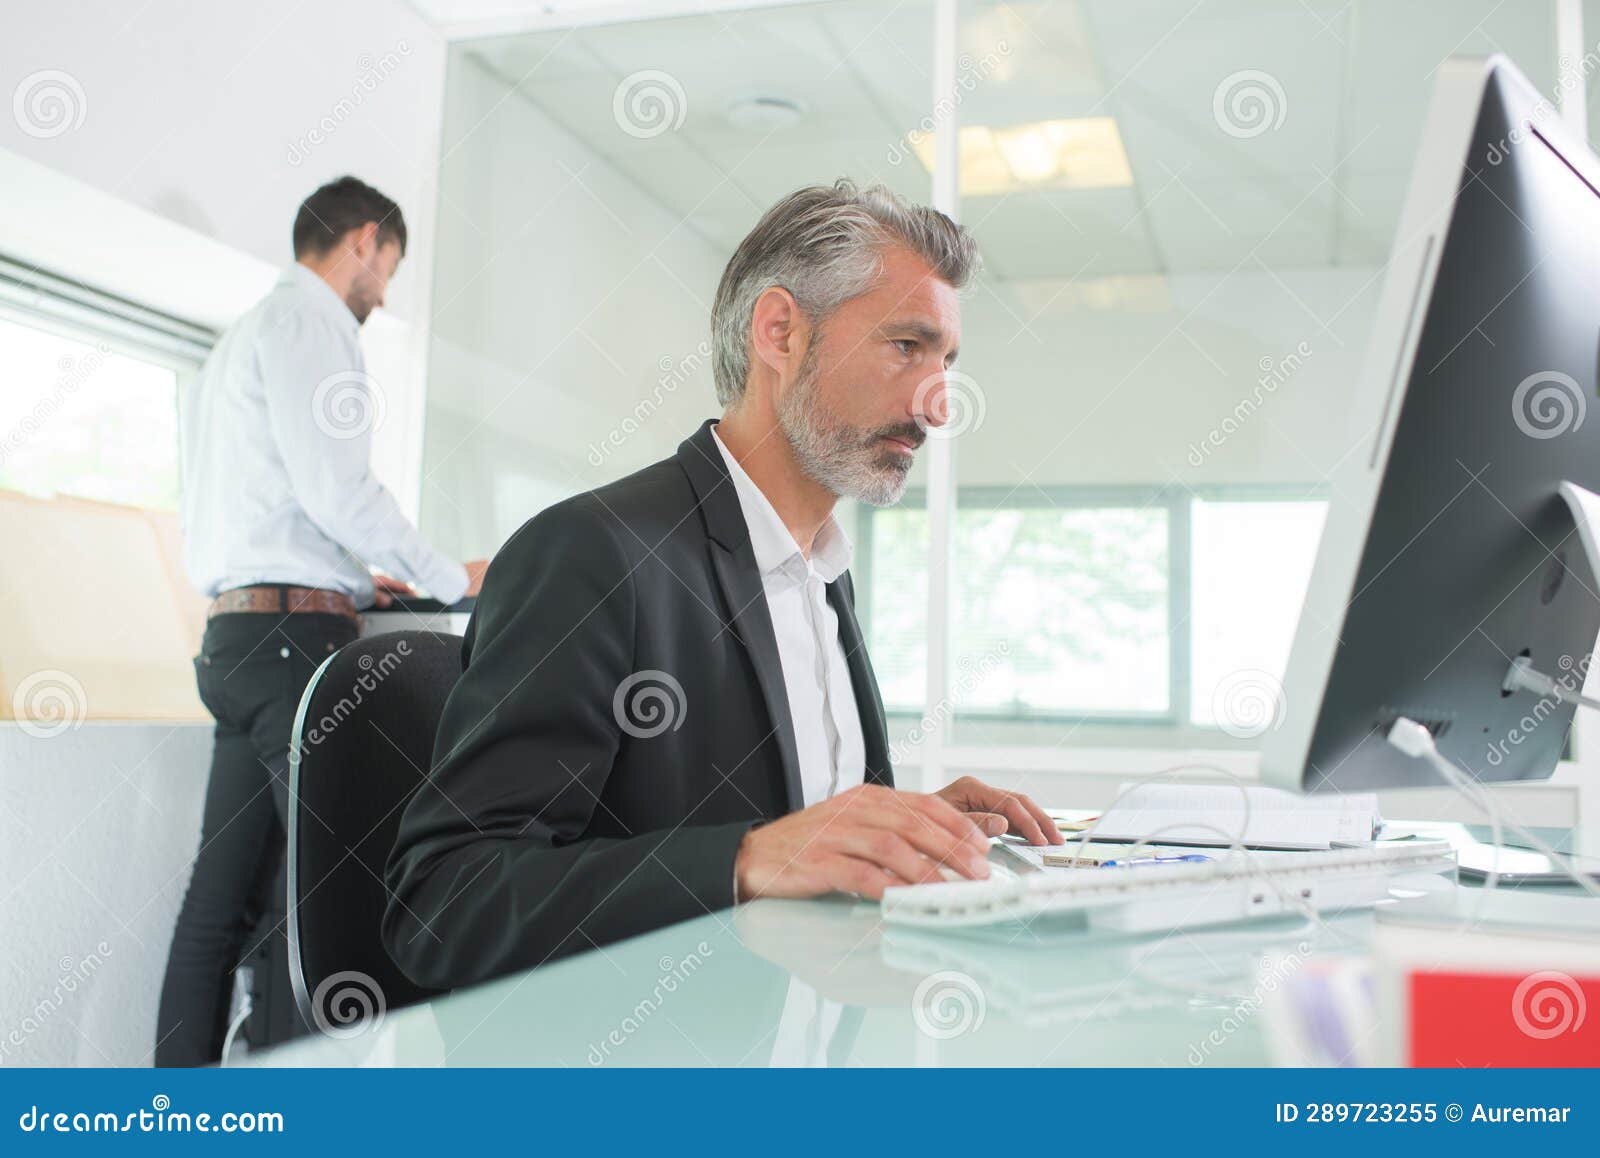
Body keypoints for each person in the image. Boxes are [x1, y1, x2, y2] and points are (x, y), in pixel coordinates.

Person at [384, 179, 1062, 993]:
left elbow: (792, 829)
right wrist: (741, 861)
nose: (938, 405)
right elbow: (443, 903)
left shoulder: (822, 574)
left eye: (946, 360)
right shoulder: (592, 555)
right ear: (779, 331)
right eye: (906, 347)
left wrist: (901, 832)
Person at [159, 176, 487, 1065]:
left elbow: (272, 501)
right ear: (365, 242)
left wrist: (353, 579)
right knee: (334, 903)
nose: (385, 290)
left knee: (222, 903)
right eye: (389, 268)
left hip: (235, 641)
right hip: (291, 645)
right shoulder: (313, 325)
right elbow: (336, 486)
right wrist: (443, 574)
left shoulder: (240, 337)